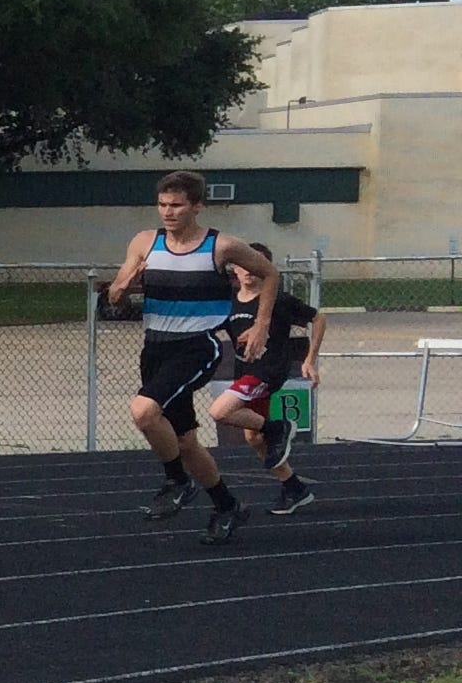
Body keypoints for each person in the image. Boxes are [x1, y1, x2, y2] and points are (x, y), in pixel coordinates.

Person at [104, 172, 284, 546]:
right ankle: (226, 505)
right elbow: (117, 293)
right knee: (185, 442)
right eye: (163, 205)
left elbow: (269, 273)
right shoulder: (144, 242)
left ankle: (177, 481)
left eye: (177, 205)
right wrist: (119, 288)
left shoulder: (221, 247)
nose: (168, 212)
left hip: (198, 345)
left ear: (197, 205)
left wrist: (263, 324)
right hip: (155, 347)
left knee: (143, 411)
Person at [207, 243, 323, 516]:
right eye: (243, 265)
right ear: (235, 268)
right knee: (254, 438)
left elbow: (319, 319)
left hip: (268, 371)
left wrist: (309, 360)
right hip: (245, 372)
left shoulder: (277, 301)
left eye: (255, 265)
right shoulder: (229, 302)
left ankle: (278, 428)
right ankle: (294, 488)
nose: (248, 271)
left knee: (219, 411)